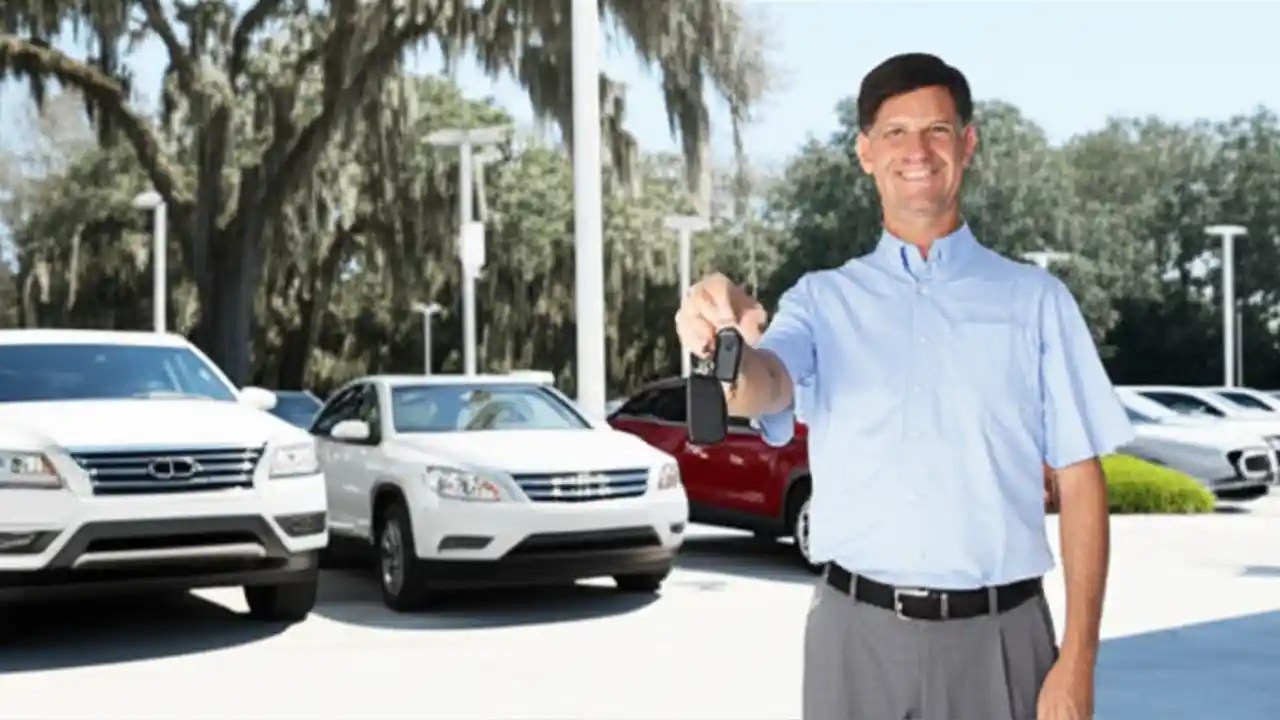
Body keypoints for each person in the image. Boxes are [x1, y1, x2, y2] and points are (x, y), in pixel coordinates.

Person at [674, 53, 1132, 720]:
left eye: (938, 130)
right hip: (853, 640)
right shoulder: (821, 300)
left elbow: (1084, 481)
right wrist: (726, 343)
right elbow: (762, 387)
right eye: (895, 132)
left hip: (1001, 641)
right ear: (865, 152)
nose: (917, 150)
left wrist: (1079, 659)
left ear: (967, 145)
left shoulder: (1036, 301)